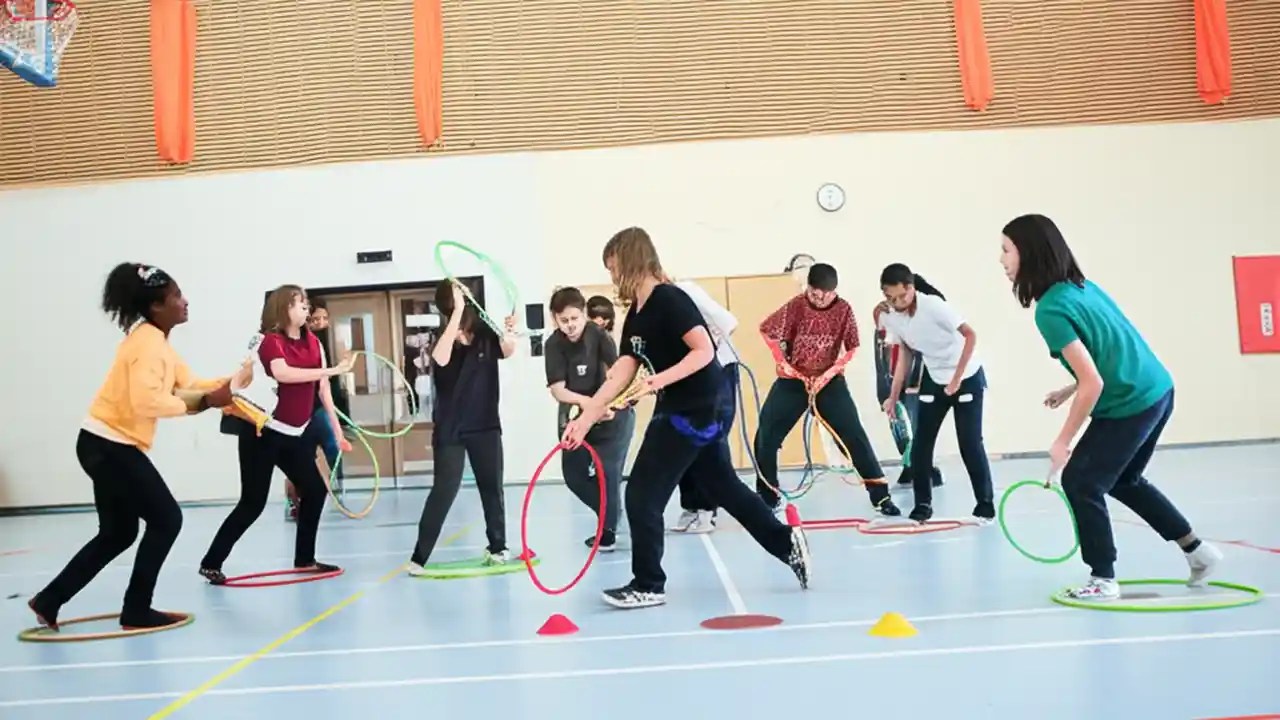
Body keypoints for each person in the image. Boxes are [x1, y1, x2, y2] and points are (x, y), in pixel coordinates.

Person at [563, 226, 811, 610]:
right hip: (682, 406)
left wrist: (657, 381)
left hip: (693, 408)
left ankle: (649, 584)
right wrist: (583, 420)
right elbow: (620, 372)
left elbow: (703, 351)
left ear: (631, 262)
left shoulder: (669, 300)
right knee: (723, 486)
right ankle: (786, 543)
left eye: (614, 268)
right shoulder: (637, 313)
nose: (612, 278)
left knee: (642, 494)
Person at [1000, 213, 1221, 600]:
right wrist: (1070, 388)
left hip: (1131, 403)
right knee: (1123, 479)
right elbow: (1110, 350)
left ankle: (1103, 578)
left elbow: (1095, 382)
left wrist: (1063, 441)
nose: (1001, 260)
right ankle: (1197, 551)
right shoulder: (1082, 287)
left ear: (1029, 253)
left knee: (1082, 481)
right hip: (1158, 389)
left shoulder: (1050, 310)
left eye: (1006, 250)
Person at [28, 263, 239, 631]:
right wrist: (205, 402)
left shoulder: (155, 338)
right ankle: (136, 609)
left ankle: (49, 599)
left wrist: (234, 383)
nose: (185, 301)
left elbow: (188, 382)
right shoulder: (149, 345)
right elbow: (149, 402)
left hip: (101, 444)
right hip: (110, 447)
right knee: (167, 519)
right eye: (176, 296)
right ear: (157, 306)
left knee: (119, 533)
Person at [199, 285, 353, 584]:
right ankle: (211, 562)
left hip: (295, 435)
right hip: (262, 433)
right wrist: (332, 371)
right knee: (252, 503)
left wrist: (337, 432)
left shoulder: (314, 344)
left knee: (316, 490)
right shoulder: (269, 342)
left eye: (306, 303)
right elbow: (283, 374)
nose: (305, 308)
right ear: (283, 309)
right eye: (298, 303)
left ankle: (305, 559)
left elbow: (323, 393)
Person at [755, 263, 899, 516]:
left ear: (834, 291)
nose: (819, 297)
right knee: (766, 434)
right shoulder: (796, 306)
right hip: (794, 381)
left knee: (854, 435)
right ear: (807, 287)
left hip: (829, 382)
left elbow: (852, 347)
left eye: (825, 292)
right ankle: (768, 496)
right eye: (814, 291)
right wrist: (782, 363)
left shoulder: (843, 310)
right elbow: (766, 330)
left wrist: (829, 373)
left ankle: (880, 495)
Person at [407, 280, 518, 574]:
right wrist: (456, 312)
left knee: (492, 488)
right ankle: (419, 557)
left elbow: (508, 350)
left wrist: (509, 330)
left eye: (465, 293)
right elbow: (440, 360)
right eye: (458, 294)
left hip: (485, 424)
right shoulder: (440, 337)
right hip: (451, 427)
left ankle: (498, 547)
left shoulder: (484, 331)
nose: (465, 297)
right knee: (444, 489)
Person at [879, 263, 994, 524]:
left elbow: (970, 336)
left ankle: (985, 505)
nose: (897, 303)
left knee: (970, 443)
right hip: (935, 377)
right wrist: (893, 396)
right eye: (890, 298)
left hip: (966, 376)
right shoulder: (892, 317)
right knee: (921, 444)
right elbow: (905, 355)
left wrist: (956, 380)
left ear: (911, 288)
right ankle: (923, 505)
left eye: (901, 296)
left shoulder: (934, 306)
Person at [544, 287, 634, 551]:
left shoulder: (600, 337)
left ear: (583, 314)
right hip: (578, 417)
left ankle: (607, 531)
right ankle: (611, 513)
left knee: (609, 473)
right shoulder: (553, 345)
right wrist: (588, 406)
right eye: (564, 321)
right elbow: (558, 389)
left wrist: (605, 405)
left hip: (612, 417)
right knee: (573, 474)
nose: (570, 326)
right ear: (555, 319)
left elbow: (619, 377)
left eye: (574, 319)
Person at [667, 279, 741, 534]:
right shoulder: (655, 306)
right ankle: (691, 504)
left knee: (710, 437)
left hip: (718, 370)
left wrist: (709, 345)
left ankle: (708, 508)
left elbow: (729, 321)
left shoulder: (684, 291)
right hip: (689, 375)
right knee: (680, 436)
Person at [873, 284, 946, 490]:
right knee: (898, 426)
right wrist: (884, 389)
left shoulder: (925, 318)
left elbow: (920, 353)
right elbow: (880, 353)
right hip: (891, 381)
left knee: (916, 426)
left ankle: (925, 468)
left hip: (916, 383)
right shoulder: (885, 314)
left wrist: (916, 382)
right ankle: (910, 465)